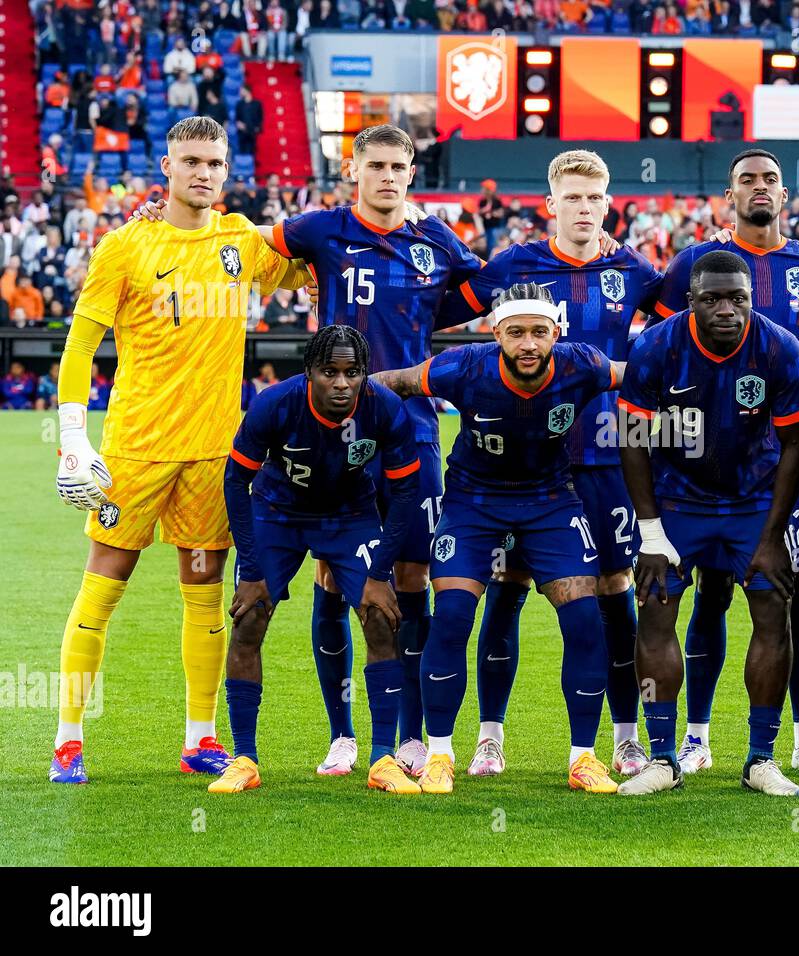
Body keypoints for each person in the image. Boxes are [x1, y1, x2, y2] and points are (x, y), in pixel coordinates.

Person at [130, 123, 483, 778]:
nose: (385, 176)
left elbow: (478, 292)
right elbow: (232, 245)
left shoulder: (435, 241)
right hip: (336, 431)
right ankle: (343, 735)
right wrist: (165, 214)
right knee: (332, 575)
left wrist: (419, 317)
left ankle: (408, 738)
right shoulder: (320, 228)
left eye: (397, 166)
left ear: (411, 172)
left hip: (413, 426)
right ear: (354, 169)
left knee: (406, 581)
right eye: (373, 164)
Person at [48, 116, 310, 785]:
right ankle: (68, 740)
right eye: (191, 160)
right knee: (103, 588)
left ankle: (200, 738)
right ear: (165, 166)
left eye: (215, 163)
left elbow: (316, 263)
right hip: (135, 449)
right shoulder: (124, 246)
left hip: (213, 456)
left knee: (204, 592)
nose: (203, 172)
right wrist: (72, 434)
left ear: (227, 170)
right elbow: (81, 345)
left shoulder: (241, 240)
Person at [439, 150, 662, 779]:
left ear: (609, 202)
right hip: (523, 464)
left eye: (595, 198)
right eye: (573, 198)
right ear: (551, 203)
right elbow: (436, 305)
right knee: (504, 593)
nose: (584, 209)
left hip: (606, 459)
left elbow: (685, 330)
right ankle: (489, 736)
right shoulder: (514, 264)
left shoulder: (635, 270)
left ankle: (623, 735)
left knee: (615, 596)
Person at [653, 149, 799, 775]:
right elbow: (667, 349)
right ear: (729, 193)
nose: (759, 188)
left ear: (784, 194)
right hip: (700, 460)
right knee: (710, 595)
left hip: (784, 460)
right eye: (746, 178)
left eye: (770, 179)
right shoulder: (693, 265)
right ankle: (694, 734)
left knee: (789, 592)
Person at [372, 283, 625, 796]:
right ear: (495, 333)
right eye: (515, 333)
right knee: (453, 619)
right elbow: (390, 382)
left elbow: (646, 377)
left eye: (538, 332)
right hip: (473, 503)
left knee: (583, 618)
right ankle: (441, 754)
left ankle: (583, 757)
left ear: (556, 330)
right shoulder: (463, 366)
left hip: (551, 501)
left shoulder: (585, 364)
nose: (528, 344)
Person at [615, 250, 799, 797]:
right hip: (678, 500)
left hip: (754, 498)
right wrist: (651, 533)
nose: (726, 309)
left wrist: (774, 537)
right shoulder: (656, 346)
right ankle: (661, 758)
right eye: (712, 299)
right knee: (655, 609)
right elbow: (632, 442)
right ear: (690, 303)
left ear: (753, 299)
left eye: (737, 299)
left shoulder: (779, 346)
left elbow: (798, 442)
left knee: (774, 611)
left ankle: (759, 759)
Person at [210, 326, 422, 795]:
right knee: (248, 620)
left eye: (353, 373)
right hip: (279, 512)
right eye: (330, 372)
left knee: (382, 618)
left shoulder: (384, 408)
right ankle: (244, 757)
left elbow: (406, 490)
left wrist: (380, 573)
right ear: (309, 373)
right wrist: (249, 569)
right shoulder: (274, 403)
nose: (342, 383)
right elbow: (234, 482)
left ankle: (382, 758)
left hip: (349, 516)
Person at [235, 86, 263, 156]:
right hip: (242, 133)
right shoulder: (239, 104)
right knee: (242, 151)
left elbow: (260, 117)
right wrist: (239, 124)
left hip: (253, 132)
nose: (240, 92)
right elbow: (237, 118)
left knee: (252, 151)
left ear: (247, 91)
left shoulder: (257, 104)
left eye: (242, 90)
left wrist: (257, 128)